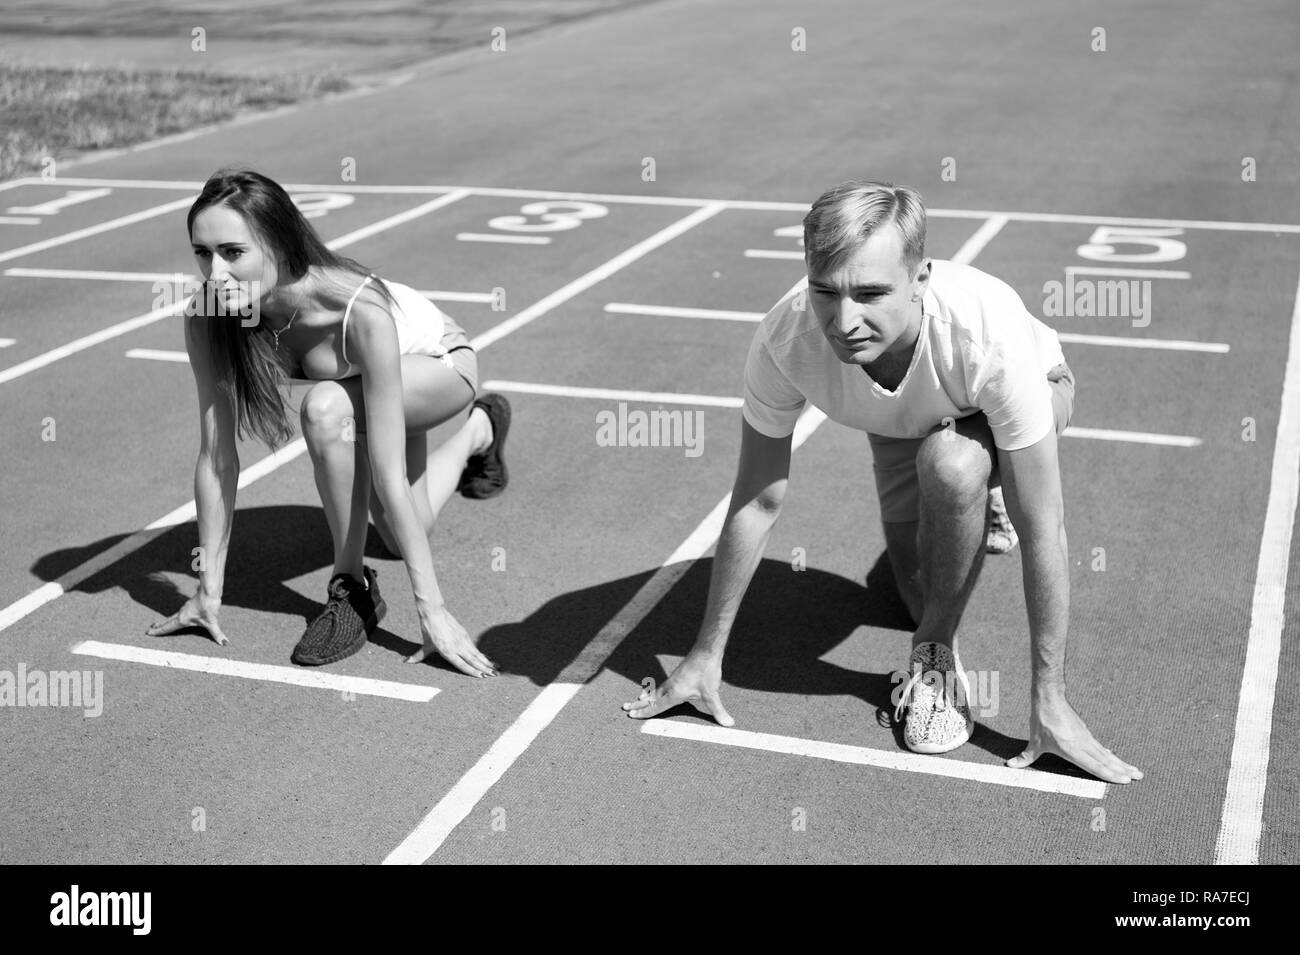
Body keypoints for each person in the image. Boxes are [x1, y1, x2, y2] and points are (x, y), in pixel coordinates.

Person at [624, 180, 1142, 784]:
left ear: (921, 278)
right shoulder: (785, 340)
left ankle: (937, 648)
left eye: (871, 293)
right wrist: (703, 656)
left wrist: (1048, 701)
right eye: (826, 292)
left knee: (951, 470)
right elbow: (760, 497)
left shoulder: (987, 339)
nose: (844, 322)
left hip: (997, 399)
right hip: (895, 420)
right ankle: (964, 512)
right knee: (913, 592)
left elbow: (1044, 523)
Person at [146, 168, 508, 677]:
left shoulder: (357, 310)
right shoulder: (209, 315)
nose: (215, 273)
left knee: (325, 409)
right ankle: (482, 430)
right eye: (202, 254)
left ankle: (350, 587)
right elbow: (217, 457)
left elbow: (383, 470)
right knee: (404, 530)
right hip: (369, 384)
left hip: (437, 365)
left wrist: (434, 612)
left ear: (279, 244)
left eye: (233, 252)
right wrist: (208, 592)